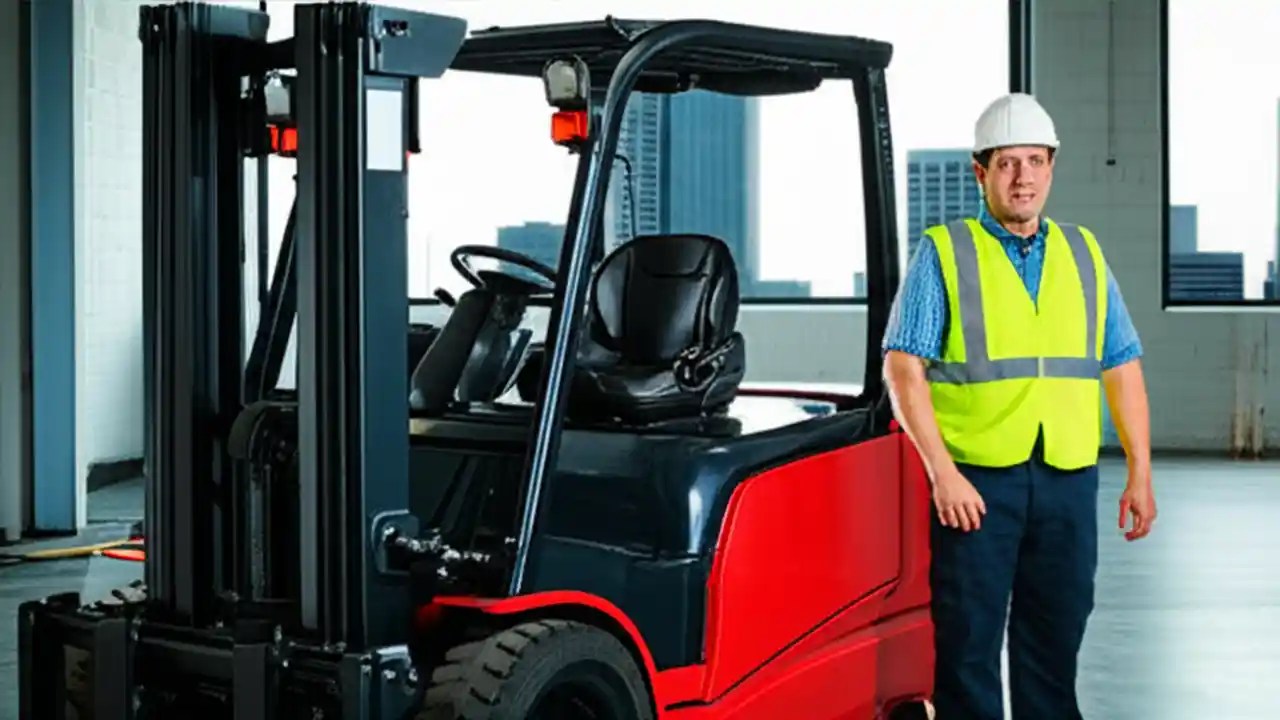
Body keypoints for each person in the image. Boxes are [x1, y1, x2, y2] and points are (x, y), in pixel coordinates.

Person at [881, 92, 1157, 719]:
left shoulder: (1084, 253)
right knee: (969, 647)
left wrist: (1140, 470)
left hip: (1066, 479)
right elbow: (903, 369)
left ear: (1052, 167)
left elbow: (1122, 365)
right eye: (1007, 163)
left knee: (1054, 642)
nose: (1023, 176)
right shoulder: (944, 253)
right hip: (976, 486)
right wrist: (942, 473)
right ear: (981, 172)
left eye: (1035, 161)